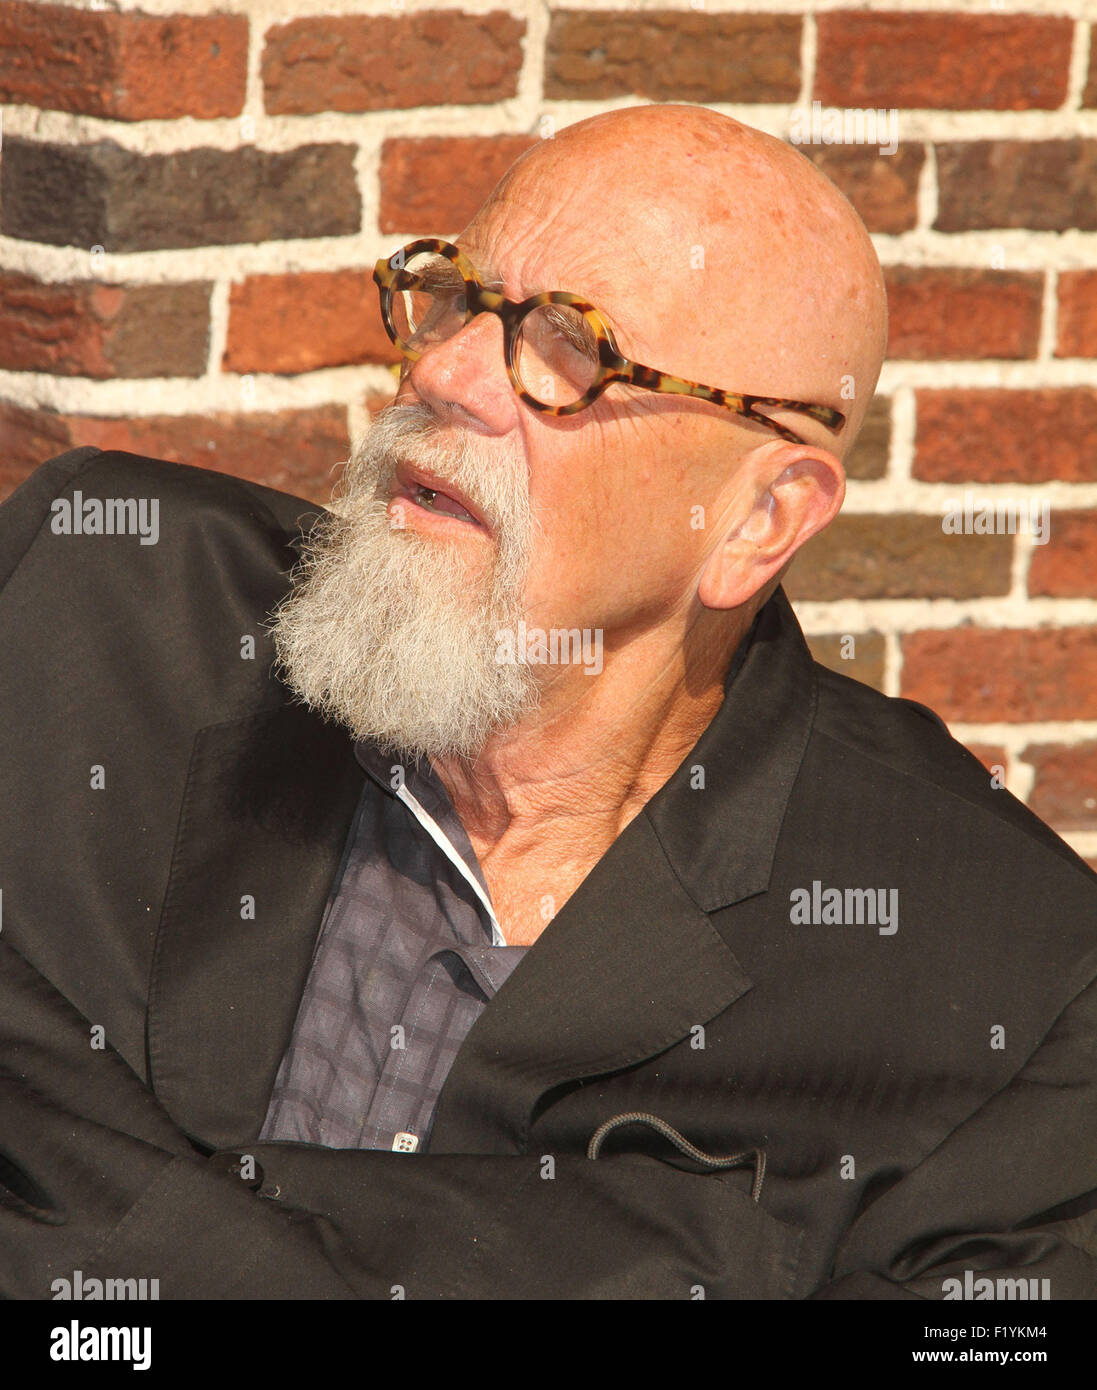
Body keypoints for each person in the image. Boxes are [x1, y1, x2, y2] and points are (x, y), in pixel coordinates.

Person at [1, 103, 1094, 1301]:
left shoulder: (1002, 965)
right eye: (454, 298)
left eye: (571, 348)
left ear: (758, 517)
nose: (440, 373)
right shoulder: (97, 600)